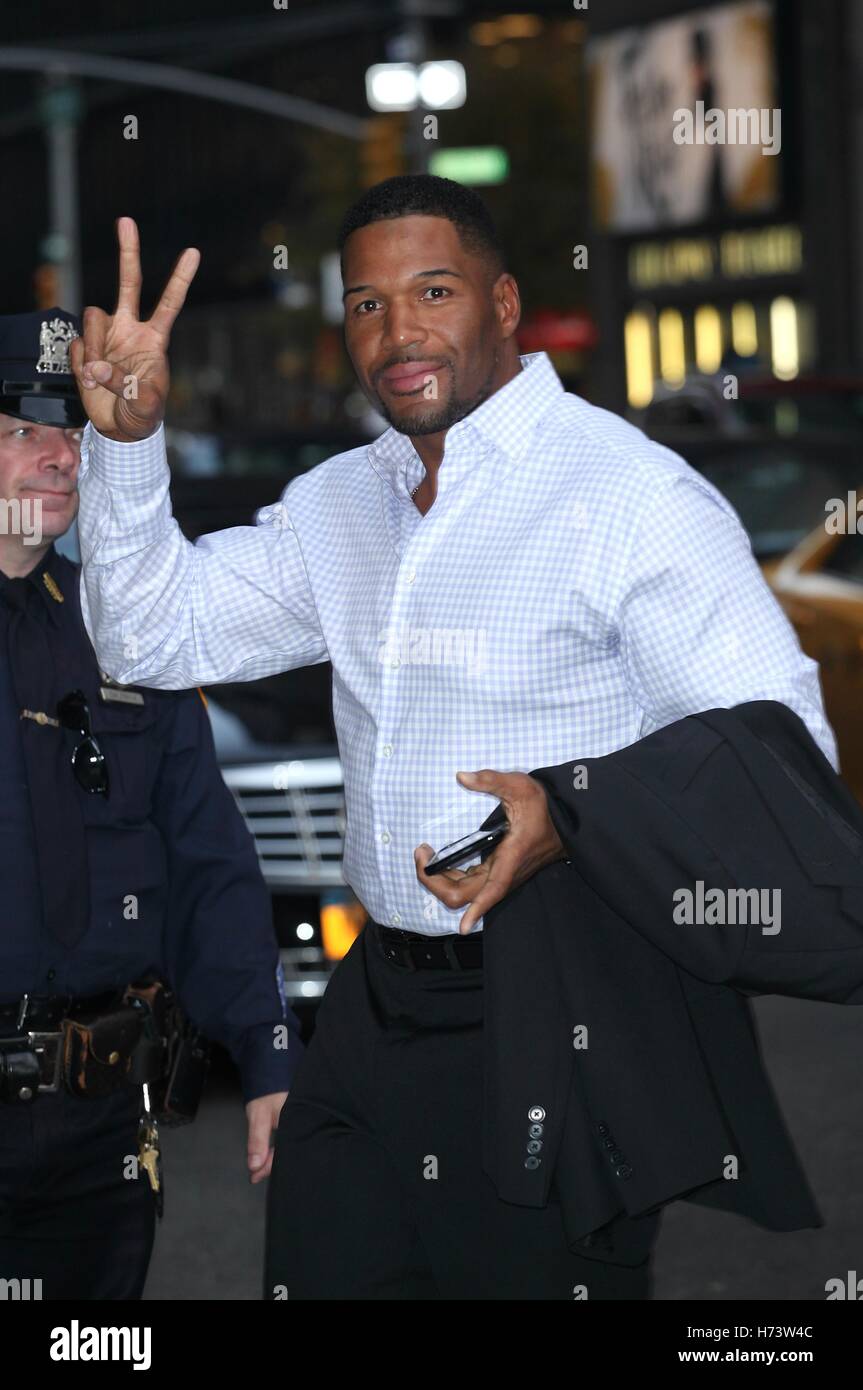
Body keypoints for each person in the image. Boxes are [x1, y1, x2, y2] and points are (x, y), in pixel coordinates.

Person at [73, 179, 836, 1300]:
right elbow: (148, 633)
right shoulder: (342, 503)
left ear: (506, 302)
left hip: (555, 1013)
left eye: (433, 291)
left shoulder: (627, 496)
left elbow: (783, 753)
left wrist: (572, 816)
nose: (398, 333)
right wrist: (128, 450)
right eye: (367, 304)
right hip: (371, 1004)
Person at [0, 308, 300, 1300]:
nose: (58, 456)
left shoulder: (125, 630)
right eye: (21, 430)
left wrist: (264, 1051)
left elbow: (206, 857)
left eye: (72, 432)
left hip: (96, 1134)